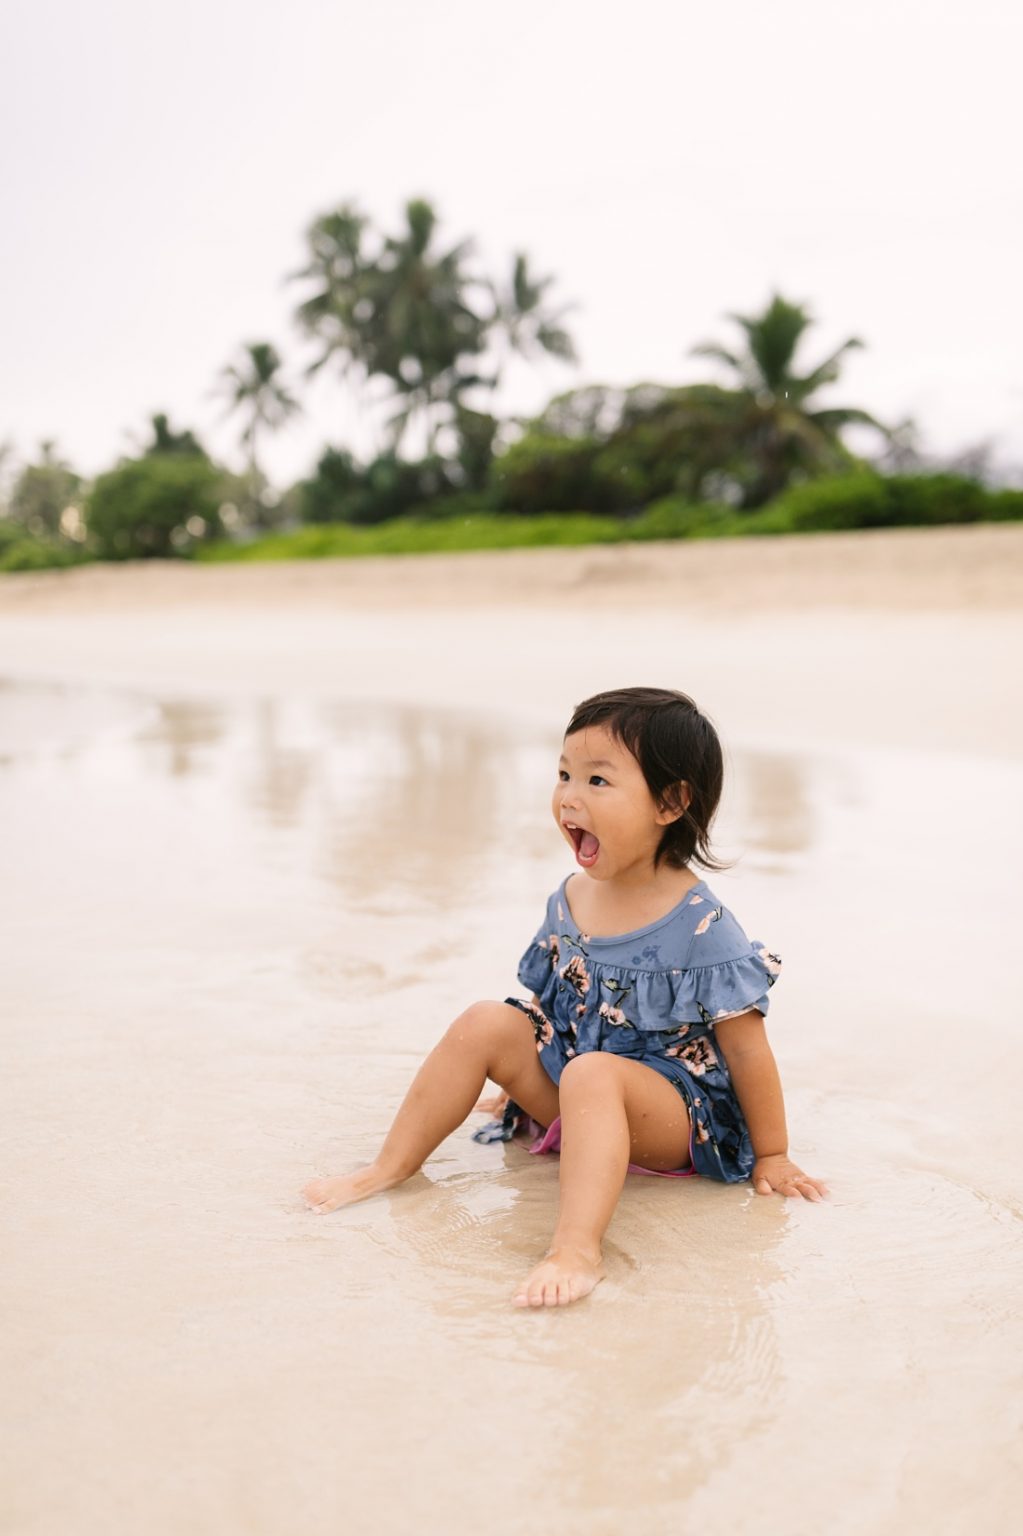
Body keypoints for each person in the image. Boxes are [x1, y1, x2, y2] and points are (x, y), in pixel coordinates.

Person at [301, 686, 828, 1307]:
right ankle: (389, 1166)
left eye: (598, 781)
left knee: (594, 1073)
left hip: (675, 1118)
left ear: (671, 802)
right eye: (563, 774)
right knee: (486, 1020)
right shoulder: (571, 897)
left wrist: (774, 1154)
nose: (569, 797)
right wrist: (515, 1087)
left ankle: (576, 1250)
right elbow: (552, 1003)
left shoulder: (701, 926)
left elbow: (746, 1053)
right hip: (584, 1087)